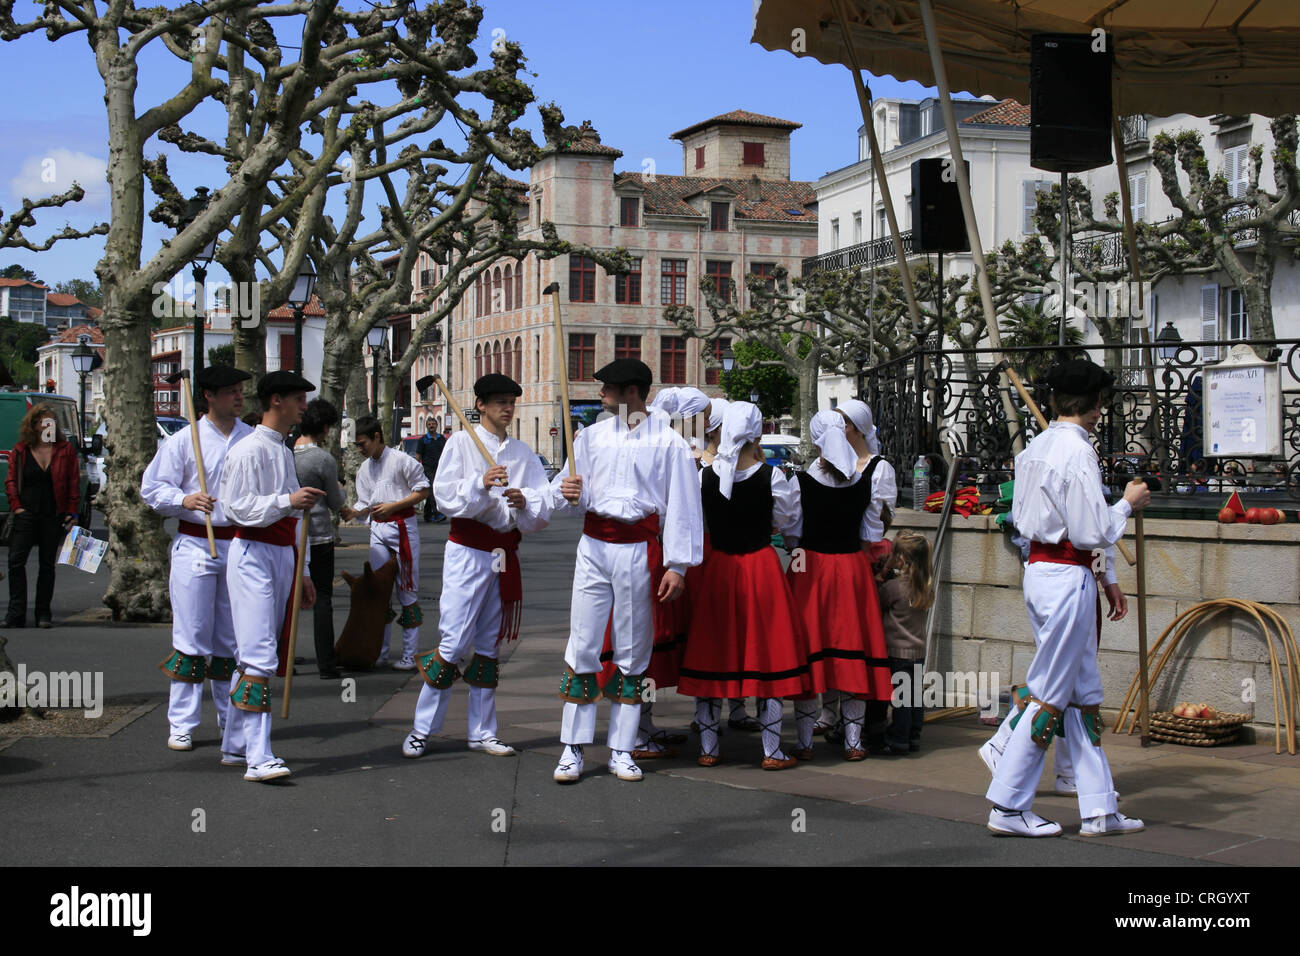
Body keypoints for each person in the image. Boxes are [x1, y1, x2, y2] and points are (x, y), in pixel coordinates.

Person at [983, 359, 1150, 837]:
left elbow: (1031, 522)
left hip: (1043, 571)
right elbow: (1089, 530)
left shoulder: (1035, 448)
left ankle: (1098, 807)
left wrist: (1105, 572)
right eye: (1102, 402)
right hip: (1065, 575)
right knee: (1053, 694)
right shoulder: (1077, 453)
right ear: (1096, 404)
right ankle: (1008, 803)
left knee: (1082, 694)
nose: (1103, 411)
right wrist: (1127, 504)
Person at [550, 359, 703, 784]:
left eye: (607, 390)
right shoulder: (590, 437)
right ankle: (572, 748)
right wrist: (562, 492)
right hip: (593, 545)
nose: (600, 396)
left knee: (633, 648)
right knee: (582, 643)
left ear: (631, 392)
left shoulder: (670, 444)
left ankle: (622, 748)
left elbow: (684, 508)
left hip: (638, 548)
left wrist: (678, 566)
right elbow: (565, 490)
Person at [402, 374, 551, 760]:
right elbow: (445, 497)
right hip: (468, 550)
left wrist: (524, 501)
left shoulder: (522, 452)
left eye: (511, 401)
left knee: (489, 644)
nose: (507, 407)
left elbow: (541, 506)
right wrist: (480, 484)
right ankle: (421, 729)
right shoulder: (460, 444)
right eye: (499, 401)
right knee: (453, 641)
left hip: (504, 552)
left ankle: (483, 731)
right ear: (480, 405)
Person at [677, 402, 805, 770]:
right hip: (761, 567)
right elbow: (787, 523)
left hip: (719, 566)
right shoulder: (774, 477)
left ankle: (708, 748)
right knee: (769, 652)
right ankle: (771, 750)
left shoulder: (703, 476)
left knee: (712, 649)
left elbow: (693, 521)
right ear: (757, 434)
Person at [141, 365, 254, 754]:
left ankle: (228, 717)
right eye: (230, 392)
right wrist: (184, 500)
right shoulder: (184, 440)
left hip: (238, 544)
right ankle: (183, 723)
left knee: (231, 638)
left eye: (241, 391)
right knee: (191, 635)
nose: (239, 397)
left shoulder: (250, 439)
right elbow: (152, 489)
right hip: (195, 543)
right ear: (208, 395)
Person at [218, 371, 324, 783]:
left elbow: (296, 519)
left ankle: (233, 744)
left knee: (257, 649)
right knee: (259, 652)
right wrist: (287, 500)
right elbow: (236, 509)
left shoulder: (282, 450)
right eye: (298, 398)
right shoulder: (247, 451)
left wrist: (304, 571)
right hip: (253, 553)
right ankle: (257, 756)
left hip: (281, 554)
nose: (303, 406)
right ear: (276, 401)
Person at [784, 410, 893, 761]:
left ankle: (803, 742)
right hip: (851, 570)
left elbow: (791, 534)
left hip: (810, 568)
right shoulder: (863, 482)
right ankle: (854, 742)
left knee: (810, 651)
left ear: (817, 440)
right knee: (852, 650)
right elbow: (870, 535)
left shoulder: (799, 482)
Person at [341, 415, 431, 671]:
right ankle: (379, 651)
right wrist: (354, 513)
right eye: (357, 445)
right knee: (378, 591)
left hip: (402, 528)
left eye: (362, 443)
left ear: (377, 437)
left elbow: (423, 490)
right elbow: (365, 502)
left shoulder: (402, 460)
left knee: (407, 590)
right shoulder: (364, 469)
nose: (360, 449)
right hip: (378, 530)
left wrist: (394, 505)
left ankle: (409, 653)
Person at [5, 403, 80, 628]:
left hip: (52, 514)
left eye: (52, 422)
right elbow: (11, 480)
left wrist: (72, 511)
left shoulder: (64, 449)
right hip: (26, 513)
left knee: (47, 565)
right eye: (44, 422)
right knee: (16, 562)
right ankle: (16, 614)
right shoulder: (21, 450)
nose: (49, 426)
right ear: (34, 425)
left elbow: (72, 483)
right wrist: (16, 506)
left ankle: (43, 613)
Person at [293, 399, 346, 679]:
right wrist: (342, 491)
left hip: (291, 533)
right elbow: (336, 501)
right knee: (322, 597)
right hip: (318, 534)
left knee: (288, 597)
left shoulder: (286, 453)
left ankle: (282, 656)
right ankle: (326, 662)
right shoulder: (322, 459)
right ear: (324, 428)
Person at [877, 530, 933, 756]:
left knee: (900, 700)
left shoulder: (895, 587)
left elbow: (879, 602)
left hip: (896, 651)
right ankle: (914, 735)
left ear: (900, 559)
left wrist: (883, 572)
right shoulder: (925, 586)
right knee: (913, 697)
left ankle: (898, 739)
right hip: (917, 651)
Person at [419, 418, 447, 523]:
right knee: (433, 490)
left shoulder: (442, 439)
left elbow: (446, 453)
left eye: (433, 424)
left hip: (439, 468)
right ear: (427, 426)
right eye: (429, 424)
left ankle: (427, 514)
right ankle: (437, 513)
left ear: (437, 425)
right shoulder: (423, 440)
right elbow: (418, 455)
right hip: (427, 468)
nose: (431, 426)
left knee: (432, 491)